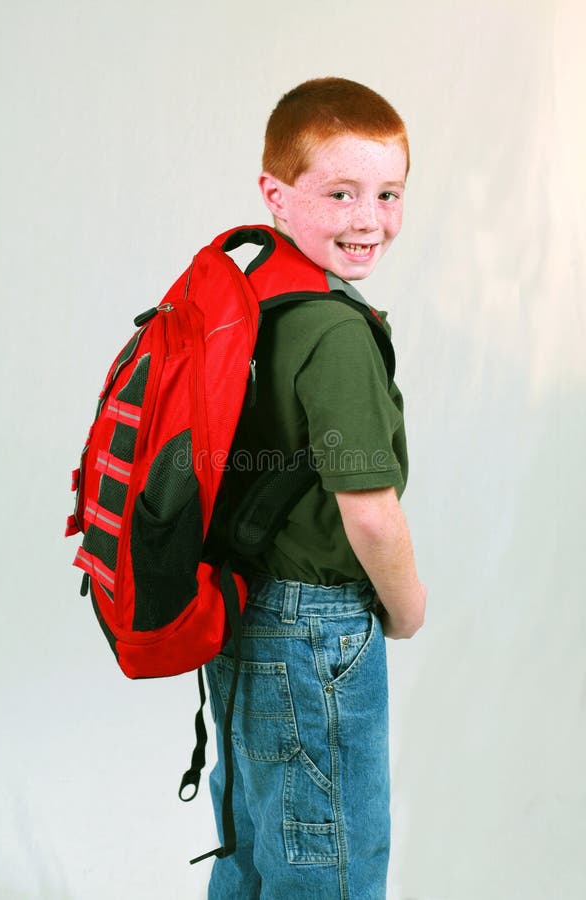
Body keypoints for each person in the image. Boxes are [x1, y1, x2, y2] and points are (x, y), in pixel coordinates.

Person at [204, 76, 426, 900]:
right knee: (332, 869)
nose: (369, 217)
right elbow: (369, 511)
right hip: (317, 629)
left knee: (254, 847)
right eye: (341, 193)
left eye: (388, 193)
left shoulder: (253, 293)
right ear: (276, 194)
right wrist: (406, 608)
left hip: (243, 608)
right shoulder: (335, 330)